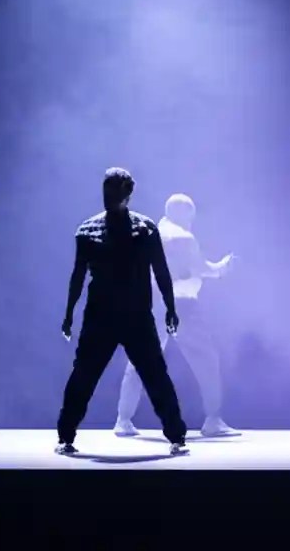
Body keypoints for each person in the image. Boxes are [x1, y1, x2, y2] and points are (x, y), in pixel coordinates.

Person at [56, 168, 190, 456]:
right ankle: (65, 435)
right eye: (107, 192)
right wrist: (68, 313)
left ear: (126, 196)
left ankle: (177, 435)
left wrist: (170, 307)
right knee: (84, 376)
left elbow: (161, 271)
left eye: (114, 193)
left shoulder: (145, 229)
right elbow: (77, 276)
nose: (109, 198)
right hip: (102, 317)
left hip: (136, 317)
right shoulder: (89, 231)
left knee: (155, 375)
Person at [114, 193, 239, 438]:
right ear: (186, 214)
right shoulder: (183, 237)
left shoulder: (150, 233)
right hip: (181, 305)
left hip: (151, 304)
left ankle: (123, 420)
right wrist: (223, 267)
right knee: (206, 360)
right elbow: (200, 269)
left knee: (140, 360)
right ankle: (213, 420)